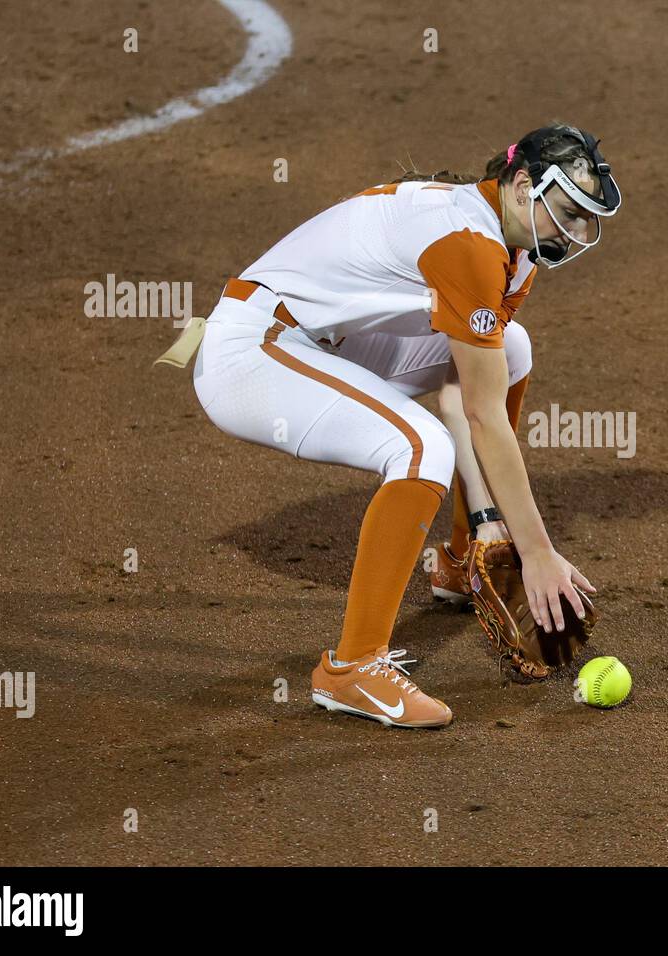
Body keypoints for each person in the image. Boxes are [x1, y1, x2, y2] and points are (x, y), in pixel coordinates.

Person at [187, 123, 621, 728]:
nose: (575, 233)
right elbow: (481, 418)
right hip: (252, 352)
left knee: (510, 350)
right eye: (568, 214)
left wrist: (495, 528)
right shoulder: (468, 244)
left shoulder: (515, 252)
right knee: (420, 448)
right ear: (523, 185)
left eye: (584, 221)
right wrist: (537, 551)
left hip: (325, 342)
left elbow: (466, 389)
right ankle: (352, 669)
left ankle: (466, 559)